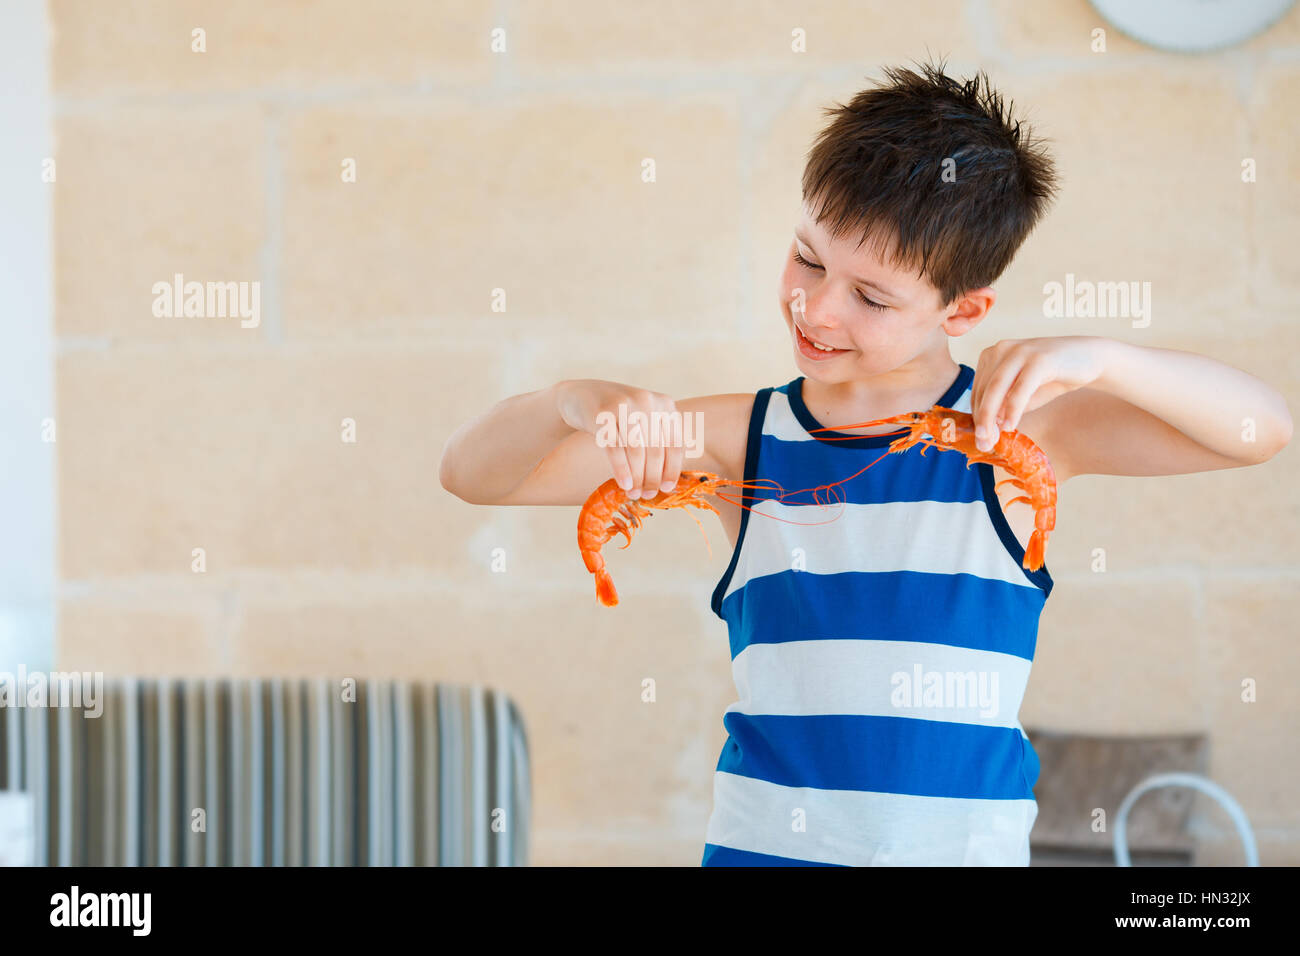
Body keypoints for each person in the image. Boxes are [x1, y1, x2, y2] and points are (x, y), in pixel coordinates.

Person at [438, 60, 1292, 866]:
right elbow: (473, 475)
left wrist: (1109, 359)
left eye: (872, 296)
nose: (815, 307)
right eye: (807, 257)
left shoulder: (1016, 434)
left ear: (967, 309)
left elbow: (1259, 430)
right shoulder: (740, 438)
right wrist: (571, 400)